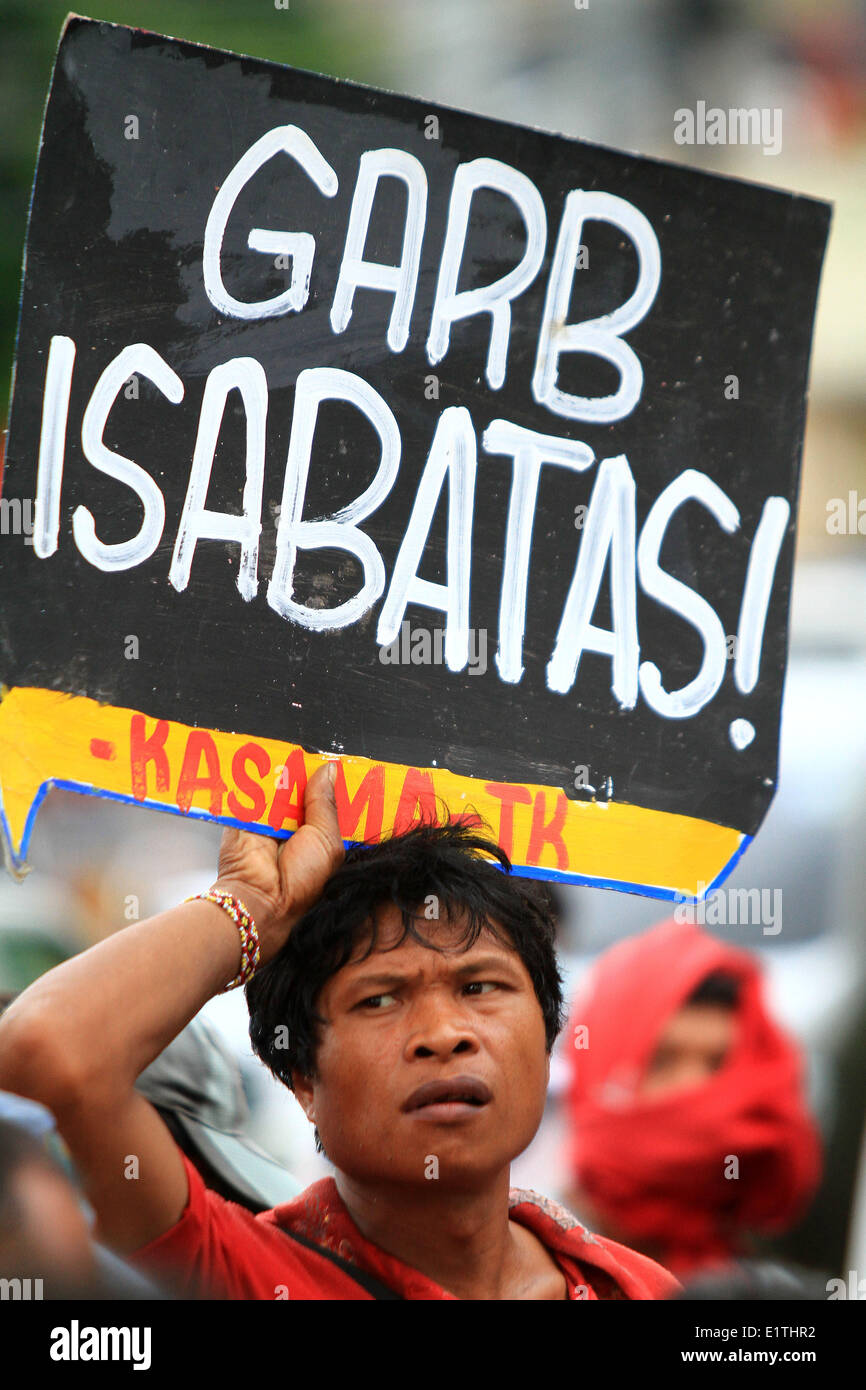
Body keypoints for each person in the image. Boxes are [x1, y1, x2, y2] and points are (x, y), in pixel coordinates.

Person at [0, 764, 678, 1300]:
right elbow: (44, 1049)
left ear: (547, 1032)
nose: (443, 1035)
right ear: (300, 1077)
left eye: (480, 988)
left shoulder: (638, 1288)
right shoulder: (234, 1273)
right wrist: (251, 906)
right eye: (380, 1000)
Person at [563, 917, 822, 1278]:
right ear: (600, 1066)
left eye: (718, 1064)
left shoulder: (757, 1282)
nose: (695, 1088)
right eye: (664, 1060)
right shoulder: (526, 1260)